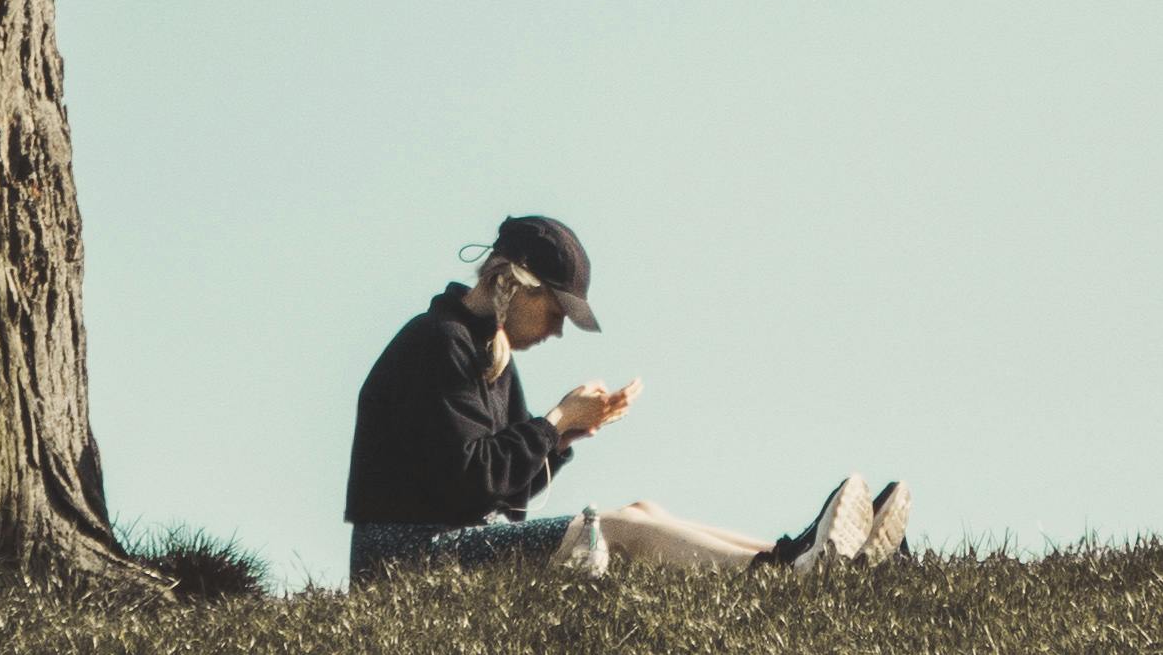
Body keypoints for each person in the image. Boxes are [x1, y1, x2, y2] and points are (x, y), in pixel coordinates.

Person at [343, 215, 910, 584]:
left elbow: (503, 492)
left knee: (642, 512)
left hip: (451, 542)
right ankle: (785, 574)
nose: (557, 331)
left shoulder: (487, 352)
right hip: (402, 560)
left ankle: (797, 555)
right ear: (511, 285)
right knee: (618, 528)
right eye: (556, 312)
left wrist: (560, 438)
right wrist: (553, 422)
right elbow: (472, 482)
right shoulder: (439, 343)